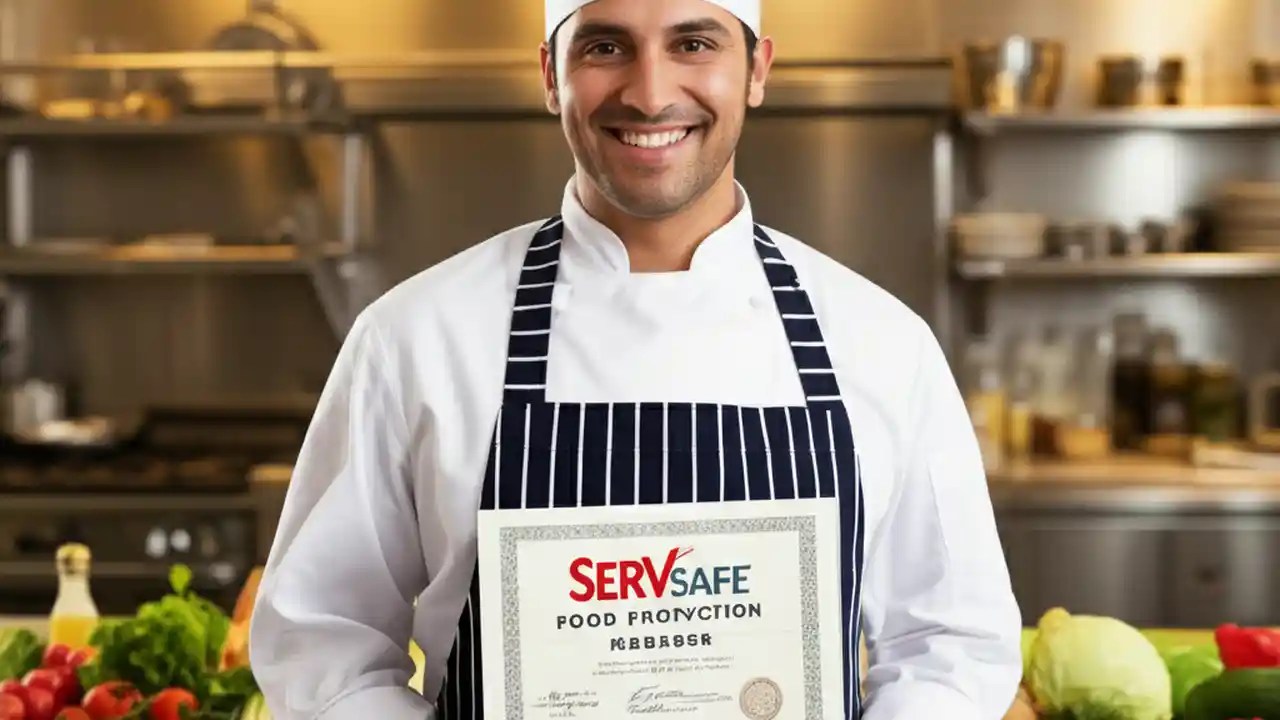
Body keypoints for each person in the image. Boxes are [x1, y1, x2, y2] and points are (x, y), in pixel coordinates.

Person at [248, 0, 1023, 718]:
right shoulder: (415, 339)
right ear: (550, 74)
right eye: (605, 47)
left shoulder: (880, 342)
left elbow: (950, 643)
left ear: (757, 70)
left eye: (694, 44)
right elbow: (322, 639)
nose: (650, 95)